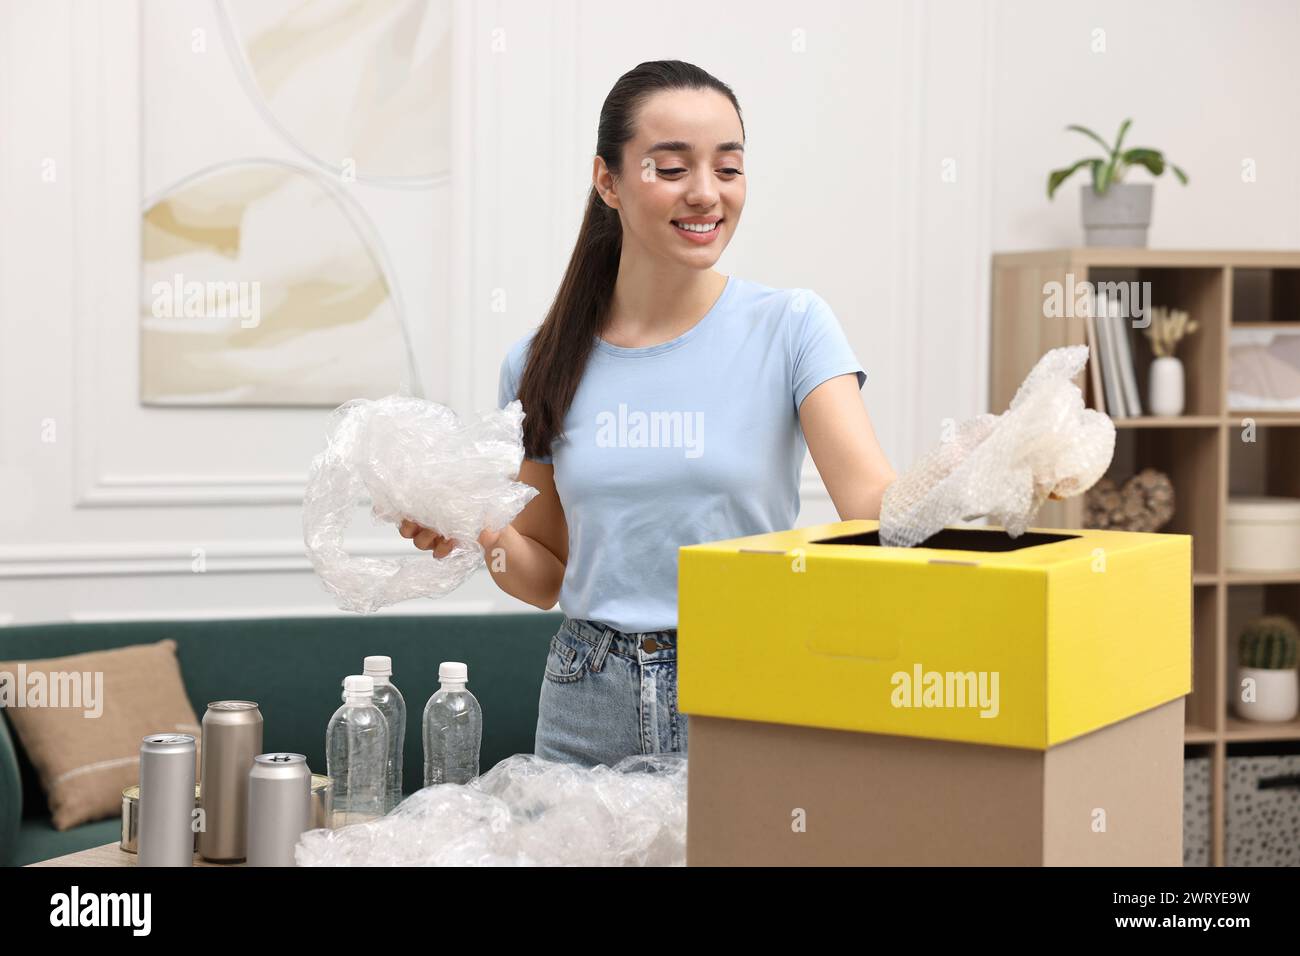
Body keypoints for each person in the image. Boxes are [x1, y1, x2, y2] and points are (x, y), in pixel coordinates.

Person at [400, 60, 896, 768]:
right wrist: (471, 517)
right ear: (608, 181)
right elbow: (543, 577)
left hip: (742, 678)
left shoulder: (791, 327)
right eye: (671, 168)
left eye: (728, 168)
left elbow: (874, 504)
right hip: (585, 696)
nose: (705, 193)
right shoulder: (541, 360)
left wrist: (986, 476)